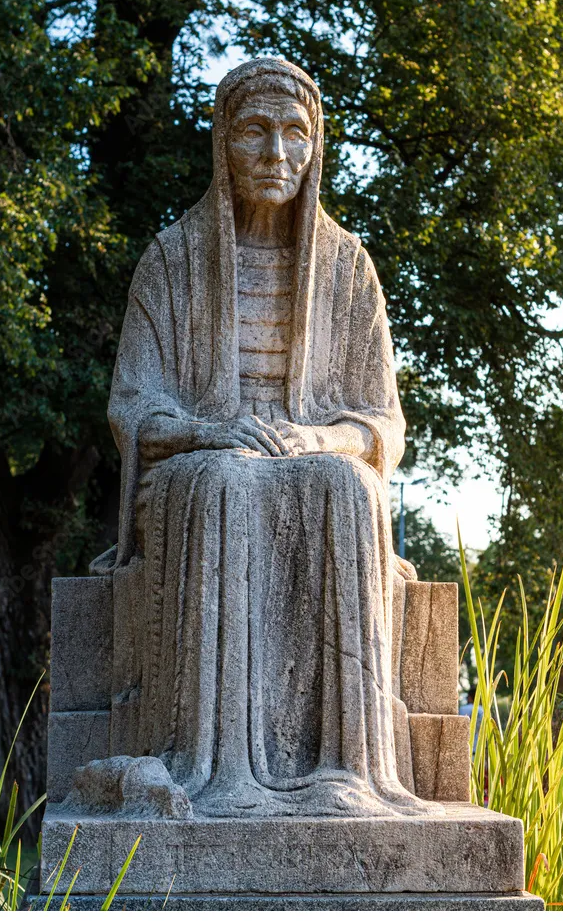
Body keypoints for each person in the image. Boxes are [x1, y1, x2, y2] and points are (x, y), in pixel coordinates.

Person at [92, 58, 440, 820]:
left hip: (310, 454)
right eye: (254, 132)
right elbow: (134, 406)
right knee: (225, 483)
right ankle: (218, 773)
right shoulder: (171, 258)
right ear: (222, 143)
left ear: (316, 148)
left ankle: (343, 773)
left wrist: (319, 435)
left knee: (345, 487)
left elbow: (380, 420)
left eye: (294, 135)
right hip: (195, 463)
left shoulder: (348, 267)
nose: (276, 155)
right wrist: (208, 429)